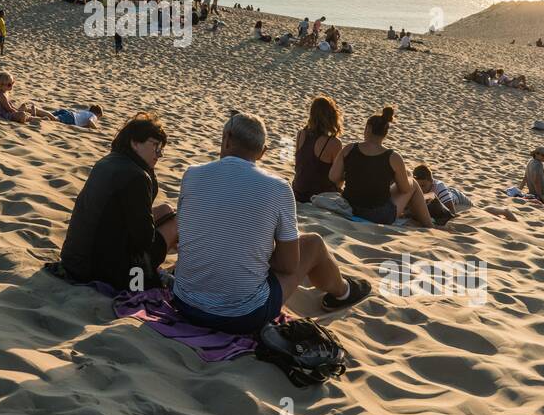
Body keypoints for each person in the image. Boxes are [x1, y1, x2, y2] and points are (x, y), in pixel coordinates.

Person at [172, 112, 369, 334]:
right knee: (313, 244)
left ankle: (341, 288)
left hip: (185, 304)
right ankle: (343, 291)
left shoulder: (192, 174)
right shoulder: (277, 188)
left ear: (226, 137)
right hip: (242, 316)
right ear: (263, 153)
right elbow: (288, 265)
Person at [59, 113, 177, 290]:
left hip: (74, 260)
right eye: (155, 146)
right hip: (103, 271)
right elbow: (143, 239)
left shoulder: (108, 162)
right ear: (134, 143)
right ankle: (171, 276)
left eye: (161, 148)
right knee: (177, 222)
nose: (159, 154)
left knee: (166, 210)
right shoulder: (137, 177)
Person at [329, 107, 433, 227]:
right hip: (378, 215)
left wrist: (353, 174)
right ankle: (430, 225)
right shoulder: (393, 157)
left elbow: (333, 177)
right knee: (413, 184)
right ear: (385, 133)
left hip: (350, 207)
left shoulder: (349, 149)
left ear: (368, 128)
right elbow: (405, 189)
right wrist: (408, 178)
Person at [290, 96, 343, 203]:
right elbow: (336, 178)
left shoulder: (301, 134)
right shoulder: (333, 143)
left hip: (298, 191)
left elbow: (300, 165)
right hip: (318, 196)